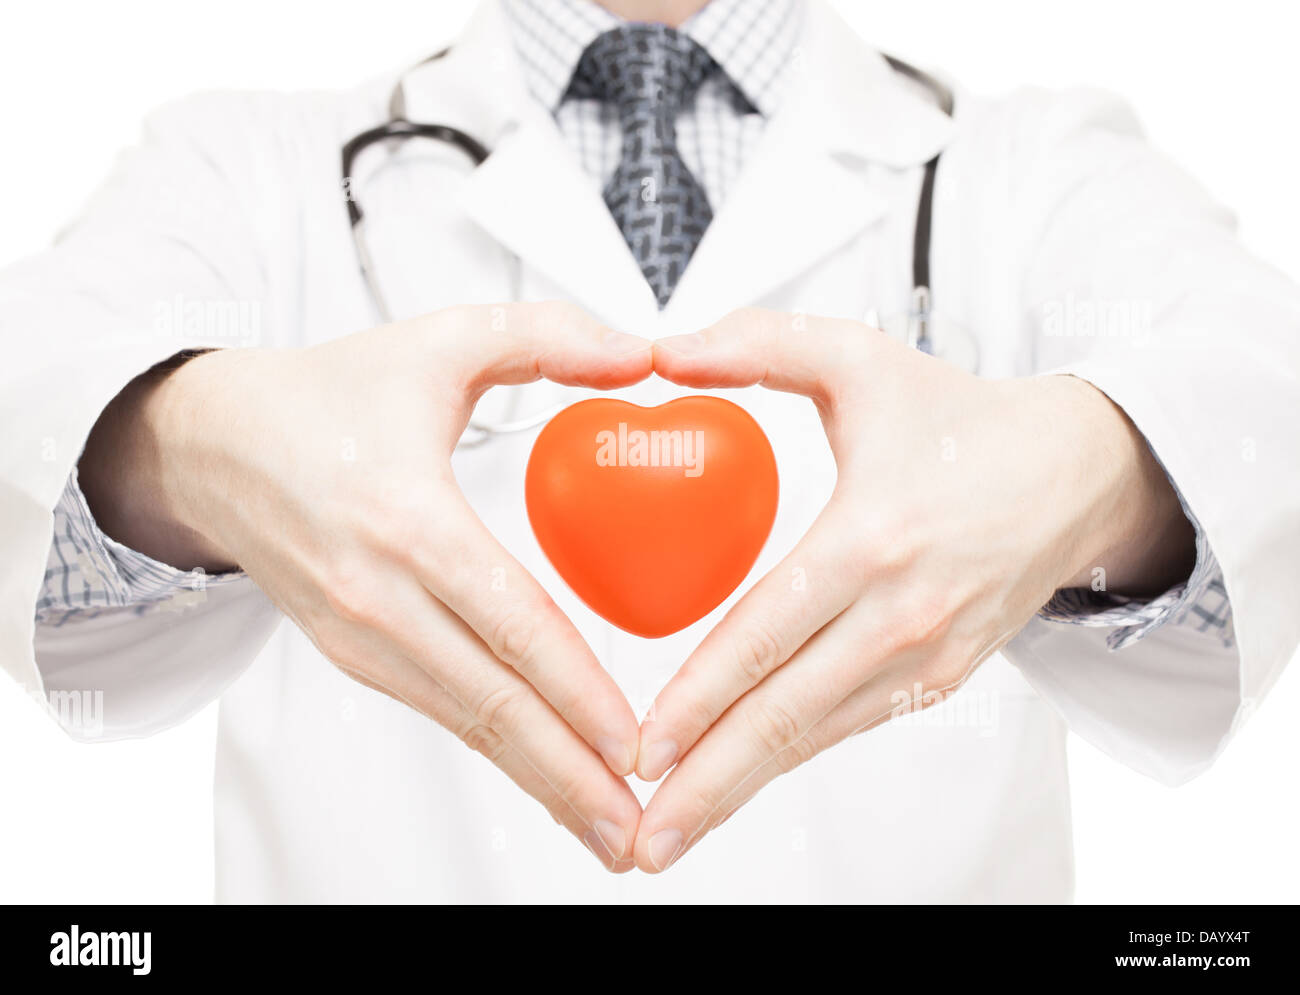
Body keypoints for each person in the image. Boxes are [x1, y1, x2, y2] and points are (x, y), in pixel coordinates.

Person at [2, 0, 1296, 902]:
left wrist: (1097, 473)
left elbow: (1261, 373)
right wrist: (185, 446)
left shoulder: (1025, 168)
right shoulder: (251, 167)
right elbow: (36, 365)